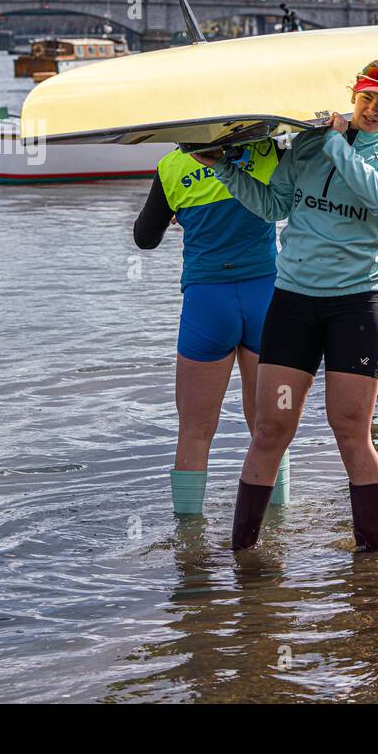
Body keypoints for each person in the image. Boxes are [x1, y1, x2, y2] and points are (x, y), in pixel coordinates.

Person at [215, 59, 378, 552]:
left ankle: (374, 557)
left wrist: (336, 140)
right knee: (271, 429)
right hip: (294, 306)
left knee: (349, 429)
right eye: (366, 98)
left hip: (355, 308)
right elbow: (274, 206)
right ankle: (243, 552)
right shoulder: (306, 146)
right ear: (354, 95)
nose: (372, 110)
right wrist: (222, 169)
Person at [133, 138, 287, 517]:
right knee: (269, 428)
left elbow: (144, 238)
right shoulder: (267, 151)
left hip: (207, 303)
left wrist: (178, 211)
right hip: (265, 295)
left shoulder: (171, 167)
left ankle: (187, 541)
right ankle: (277, 523)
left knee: (195, 431)